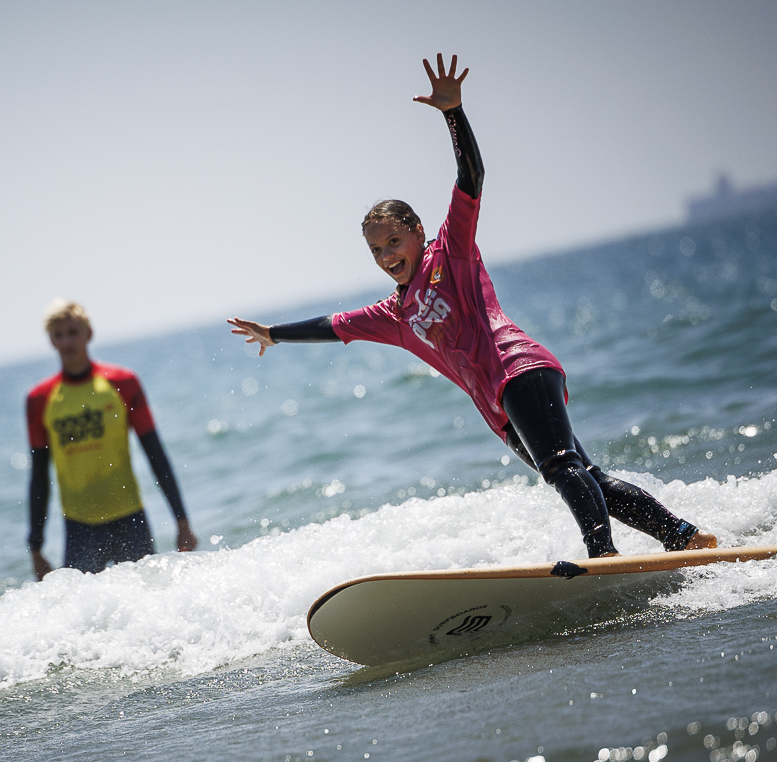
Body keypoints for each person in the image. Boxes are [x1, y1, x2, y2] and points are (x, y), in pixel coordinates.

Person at [228, 53, 715, 559]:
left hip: (519, 369)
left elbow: (472, 177)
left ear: (417, 232)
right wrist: (273, 334)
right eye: (376, 250)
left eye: (394, 241)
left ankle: (603, 558)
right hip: (498, 408)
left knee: (561, 466)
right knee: (582, 474)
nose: (387, 256)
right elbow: (333, 325)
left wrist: (453, 113)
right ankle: (684, 537)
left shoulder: (450, 250)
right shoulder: (393, 317)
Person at [26, 299, 197, 578]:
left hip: (129, 519)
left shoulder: (123, 383)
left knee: (146, 604)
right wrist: (35, 547)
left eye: (73, 332)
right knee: (83, 617)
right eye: (59, 335)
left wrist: (182, 521)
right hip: (79, 528)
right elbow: (39, 476)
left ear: (88, 334)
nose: (67, 341)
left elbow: (155, 454)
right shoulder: (40, 399)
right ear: (51, 341)